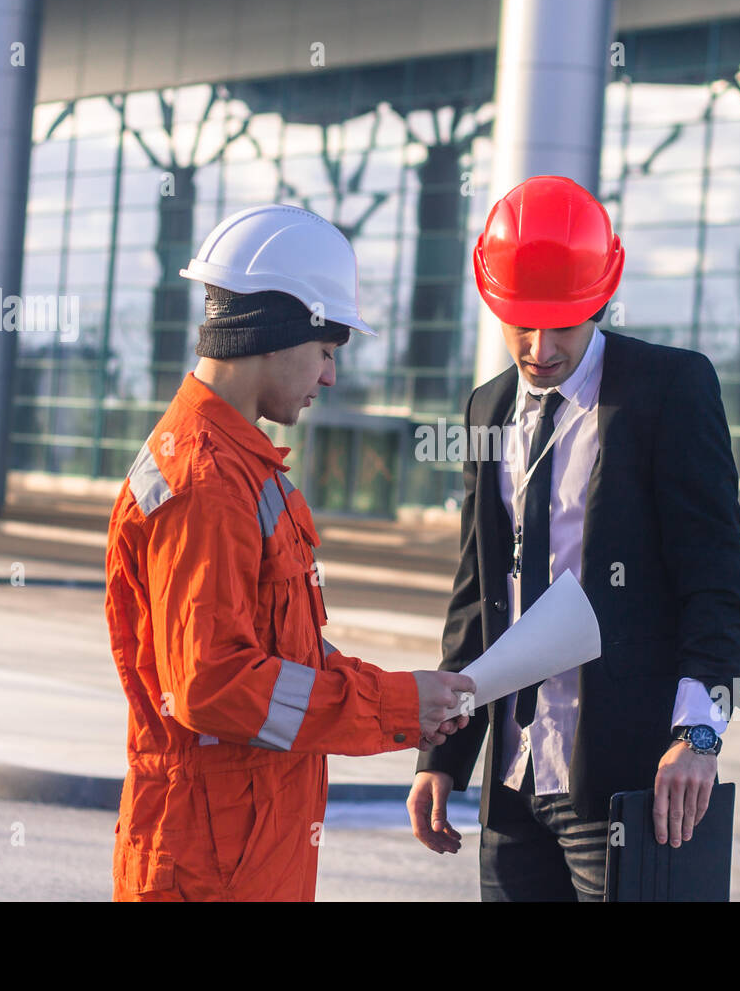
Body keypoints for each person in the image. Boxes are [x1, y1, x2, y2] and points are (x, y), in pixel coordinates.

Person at [106, 204, 473, 902]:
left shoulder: (238, 467)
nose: (330, 376)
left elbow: (285, 661)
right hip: (211, 867)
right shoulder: (206, 482)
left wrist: (409, 703)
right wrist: (397, 702)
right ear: (276, 333)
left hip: (245, 850)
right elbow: (213, 684)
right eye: (327, 351)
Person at [405, 175, 740, 901]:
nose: (538, 348)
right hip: (512, 781)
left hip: (628, 783)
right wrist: (444, 753)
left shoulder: (668, 391)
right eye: (520, 324)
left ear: (600, 296)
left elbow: (717, 579)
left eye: (560, 325)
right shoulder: (487, 407)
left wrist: (699, 736)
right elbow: (478, 598)